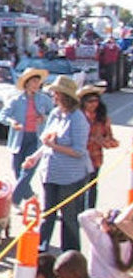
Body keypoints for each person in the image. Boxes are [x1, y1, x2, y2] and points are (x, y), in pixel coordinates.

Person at [25, 77, 91, 253]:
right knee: (47, 212)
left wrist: (55, 146)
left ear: (64, 96)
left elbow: (79, 151)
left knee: (69, 216)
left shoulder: (78, 119)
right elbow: (47, 142)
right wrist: (34, 157)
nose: (53, 96)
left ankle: (70, 254)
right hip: (50, 172)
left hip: (70, 176)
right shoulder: (55, 114)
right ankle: (41, 248)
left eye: (56, 93)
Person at [0, 68, 53, 180]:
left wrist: (44, 117)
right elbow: (2, 116)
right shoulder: (16, 100)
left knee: (28, 170)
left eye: (38, 82)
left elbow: (54, 115)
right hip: (19, 138)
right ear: (26, 83)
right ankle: (29, 196)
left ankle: (20, 195)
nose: (36, 85)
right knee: (17, 170)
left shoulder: (44, 99)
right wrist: (12, 122)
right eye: (34, 81)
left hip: (36, 138)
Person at [79, 86, 119, 209]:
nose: (93, 104)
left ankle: (90, 212)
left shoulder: (103, 119)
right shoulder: (78, 117)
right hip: (78, 158)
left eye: (95, 100)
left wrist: (107, 142)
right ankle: (77, 211)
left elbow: (110, 139)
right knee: (78, 187)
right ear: (83, 102)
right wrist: (92, 139)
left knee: (92, 186)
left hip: (95, 158)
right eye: (89, 101)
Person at [80, 204, 133, 278]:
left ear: (106, 225)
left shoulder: (99, 238)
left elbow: (83, 217)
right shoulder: (129, 243)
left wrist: (99, 213)